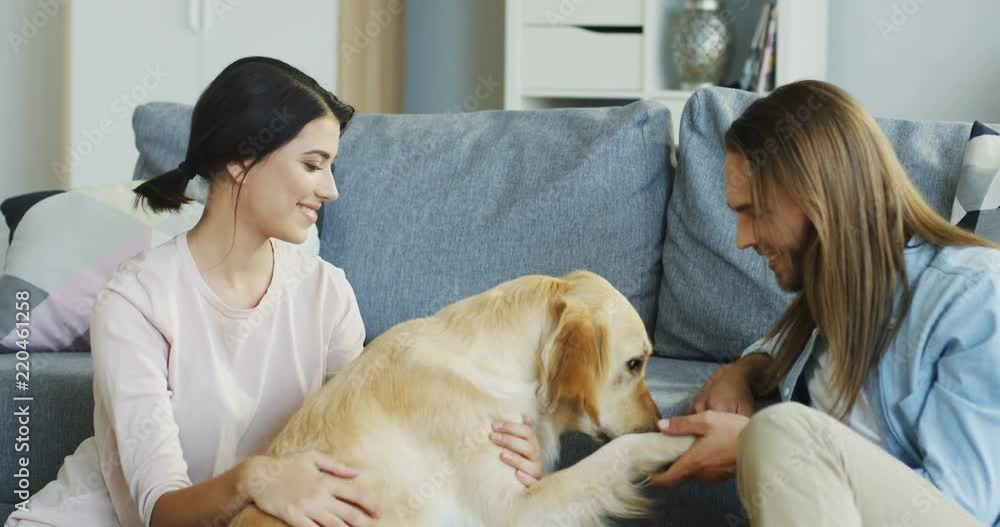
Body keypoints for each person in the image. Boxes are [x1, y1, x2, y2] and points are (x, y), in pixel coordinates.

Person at [4, 56, 541, 527]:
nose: (330, 190)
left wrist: (495, 458)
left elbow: (369, 441)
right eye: (312, 165)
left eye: (330, 166)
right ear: (241, 160)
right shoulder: (135, 302)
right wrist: (253, 480)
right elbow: (160, 510)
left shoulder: (325, 292)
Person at [649, 80, 999, 526]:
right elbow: (776, 345)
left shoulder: (974, 296)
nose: (741, 239)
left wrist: (756, 443)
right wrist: (742, 370)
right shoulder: (829, 305)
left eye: (754, 210)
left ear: (818, 194)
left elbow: (964, 508)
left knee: (781, 431)